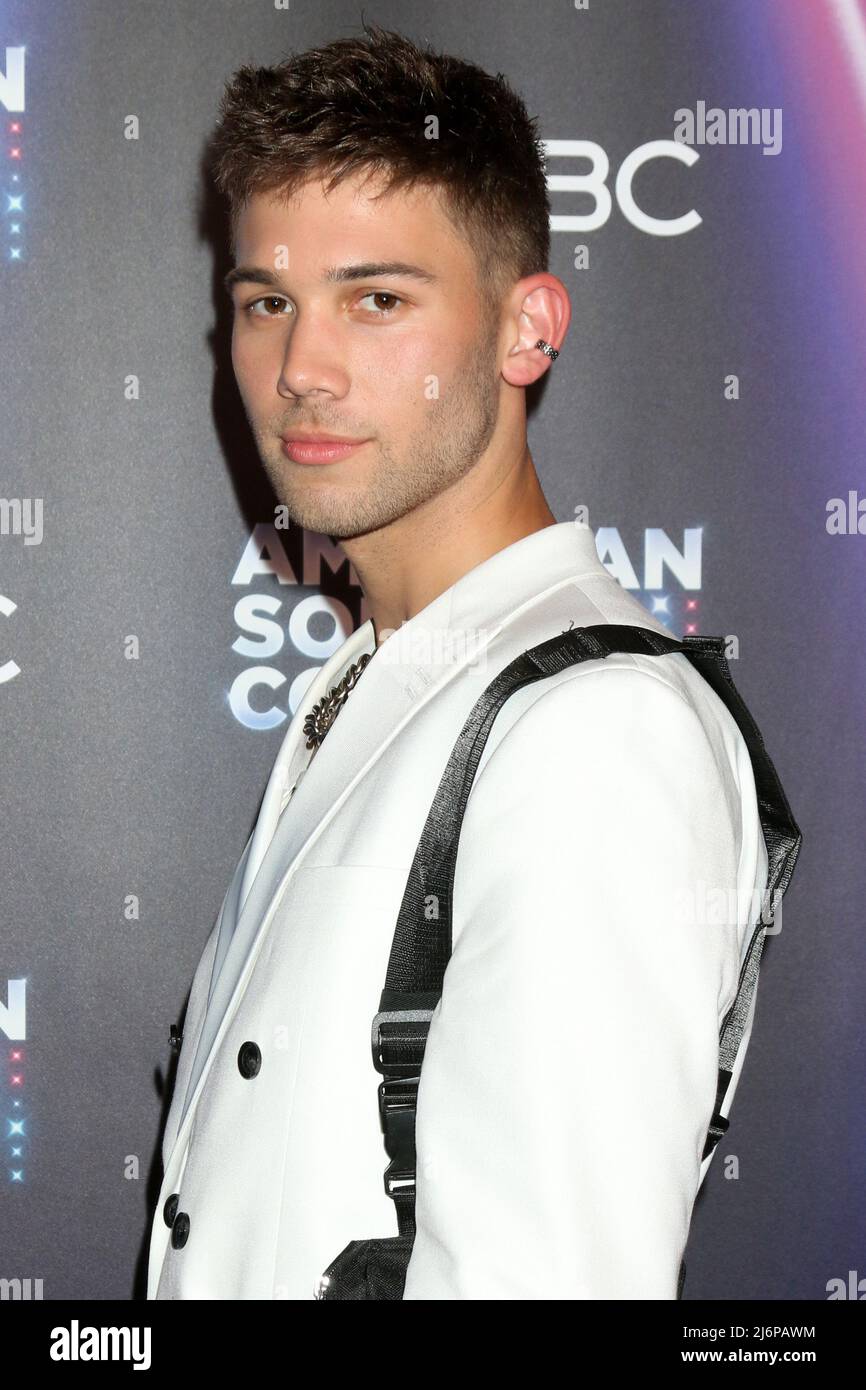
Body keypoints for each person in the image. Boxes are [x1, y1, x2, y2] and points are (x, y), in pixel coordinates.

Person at [147, 22, 769, 1299]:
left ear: (524, 329)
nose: (299, 371)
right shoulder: (371, 680)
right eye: (267, 302)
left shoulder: (592, 731)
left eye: (377, 299)